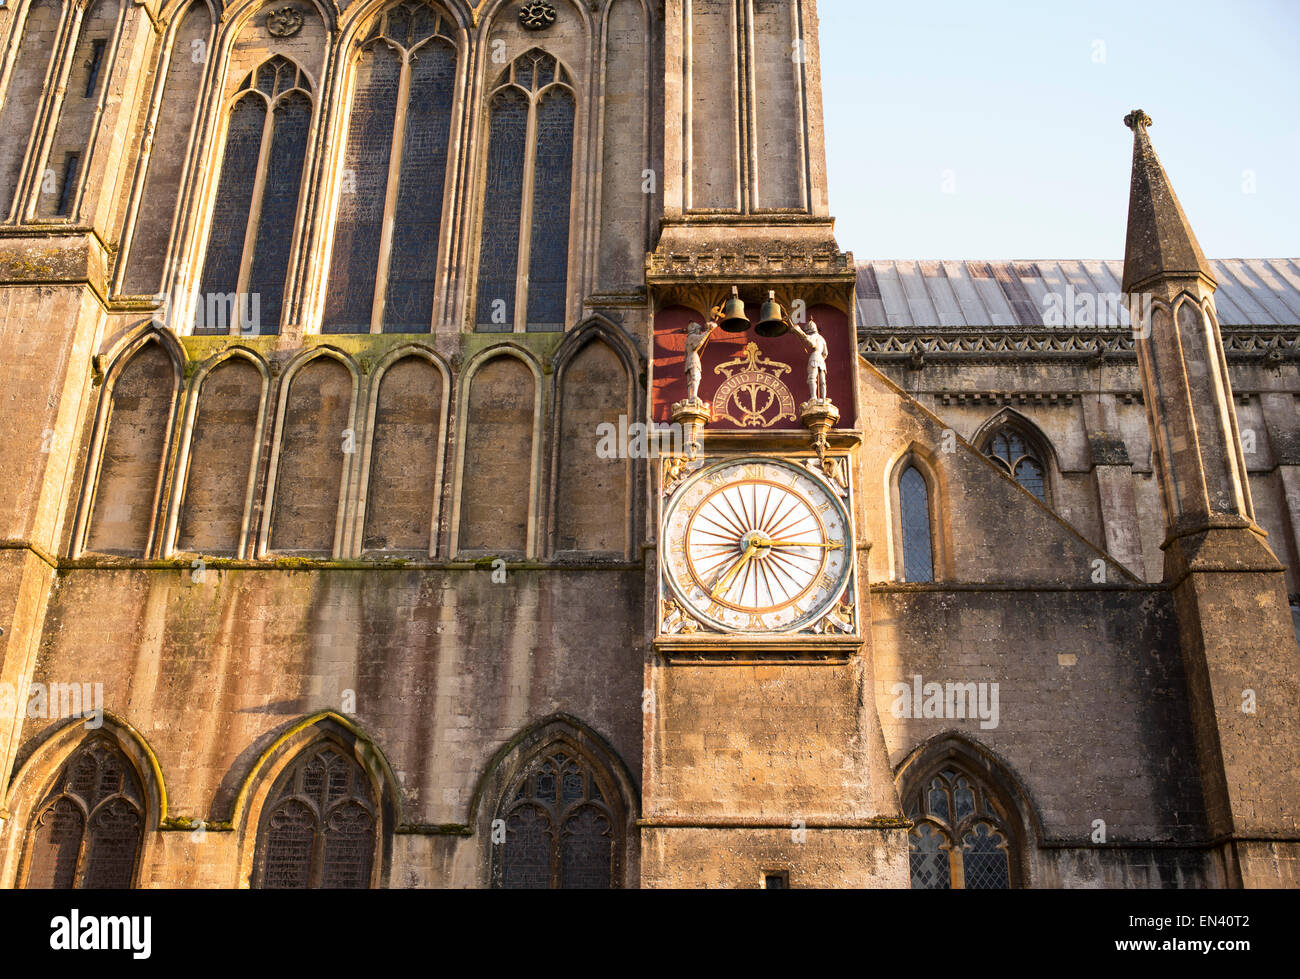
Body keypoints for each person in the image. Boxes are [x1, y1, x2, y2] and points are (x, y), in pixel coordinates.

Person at [790, 319, 829, 401]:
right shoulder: (822, 338)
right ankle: (823, 398)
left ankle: (814, 396)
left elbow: (811, 344)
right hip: (821, 360)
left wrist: (799, 332)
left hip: (814, 357)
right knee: (822, 381)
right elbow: (825, 353)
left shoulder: (814, 336)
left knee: (812, 378)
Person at [683, 318, 718, 403]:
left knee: (691, 379)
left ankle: (692, 396)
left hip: (690, 358)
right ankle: (694, 396)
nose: (699, 332)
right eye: (698, 330)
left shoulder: (689, 339)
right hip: (693, 358)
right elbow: (700, 341)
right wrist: (709, 330)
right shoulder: (692, 337)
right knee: (695, 377)